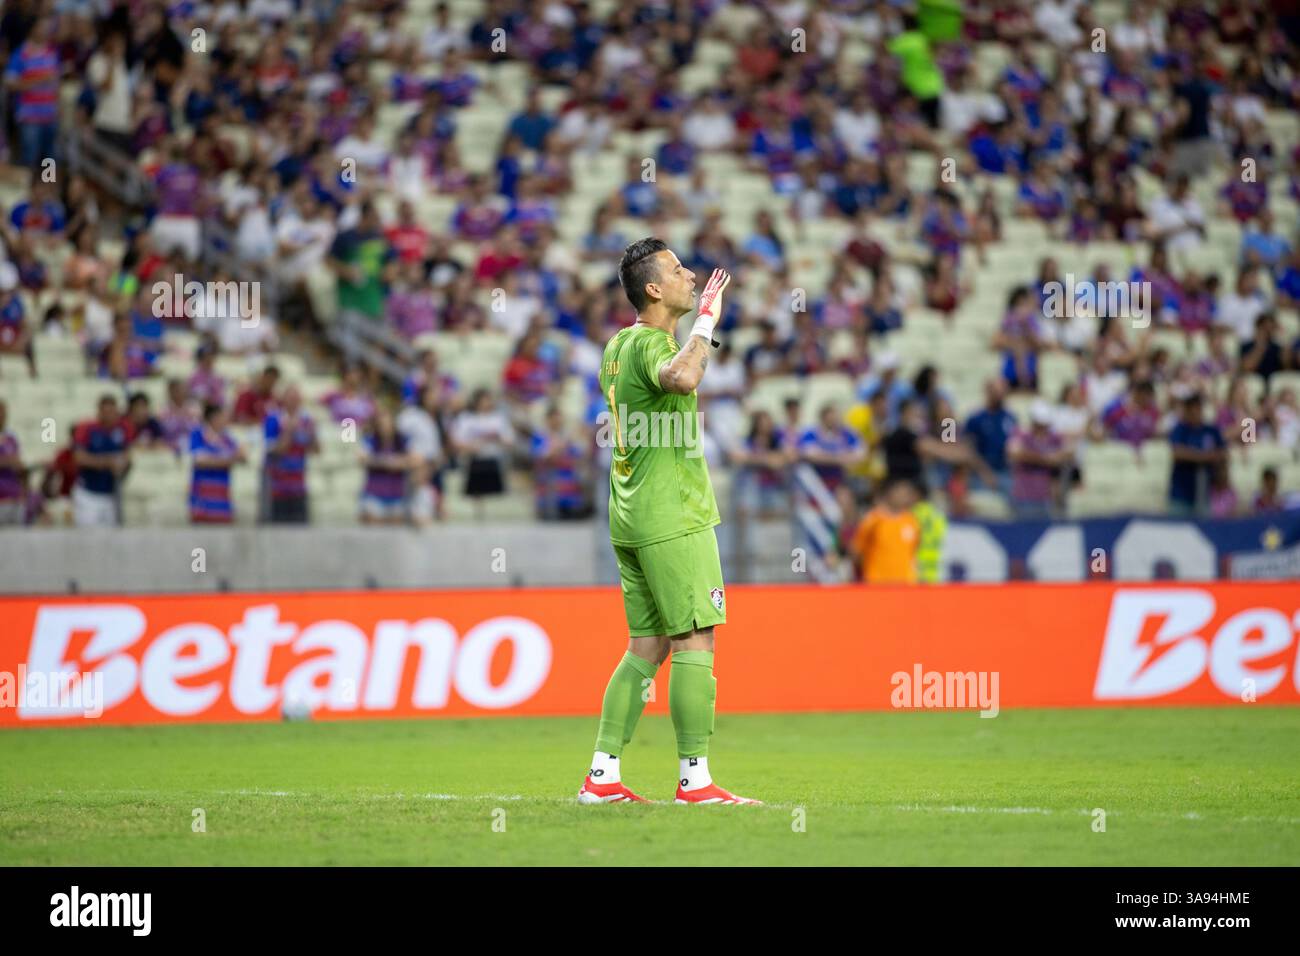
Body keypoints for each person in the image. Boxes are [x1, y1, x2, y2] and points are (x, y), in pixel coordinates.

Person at [579, 238, 758, 806]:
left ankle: (601, 777)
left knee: (646, 646)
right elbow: (683, 379)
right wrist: (706, 321)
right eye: (678, 270)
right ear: (654, 289)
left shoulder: (618, 346)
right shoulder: (650, 345)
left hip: (631, 513)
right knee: (694, 640)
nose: (691, 276)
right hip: (671, 515)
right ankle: (694, 781)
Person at [72, 394, 130, 526]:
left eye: (112, 412)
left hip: (111, 494)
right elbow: (79, 458)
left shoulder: (122, 429)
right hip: (89, 494)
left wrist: (121, 464)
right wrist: (106, 462)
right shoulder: (87, 428)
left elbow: (127, 454)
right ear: (99, 412)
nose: (109, 416)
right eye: (106, 412)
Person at [850, 476, 920, 584]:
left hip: (905, 584)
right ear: (890, 493)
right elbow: (856, 550)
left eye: (907, 493)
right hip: (877, 583)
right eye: (900, 492)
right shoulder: (873, 519)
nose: (904, 496)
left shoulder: (911, 521)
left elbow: (913, 552)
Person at [262, 386, 318, 524]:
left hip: (298, 485)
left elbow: (316, 450)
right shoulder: (273, 419)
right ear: (284, 400)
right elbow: (274, 450)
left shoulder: (306, 421)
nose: (294, 401)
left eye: (296, 398)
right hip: (277, 486)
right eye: (291, 398)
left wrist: (313, 434)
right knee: (278, 528)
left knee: (300, 529)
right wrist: (289, 430)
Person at [1168, 395, 1226, 517]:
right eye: (1192, 410)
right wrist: (1204, 457)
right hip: (1181, 493)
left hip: (1206, 493)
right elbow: (1177, 453)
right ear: (1187, 411)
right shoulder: (1180, 430)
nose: (1196, 413)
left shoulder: (1211, 430)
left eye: (1198, 409)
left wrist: (1194, 455)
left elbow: (1222, 453)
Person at [189, 404, 246, 523]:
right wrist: (228, 460)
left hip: (221, 499)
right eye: (222, 417)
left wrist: (219, 460)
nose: (225, 420)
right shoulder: (198, 435)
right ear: (213, 418)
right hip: (203, 498)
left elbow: (242, 457)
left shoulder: (227, 438)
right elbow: (200, 461)